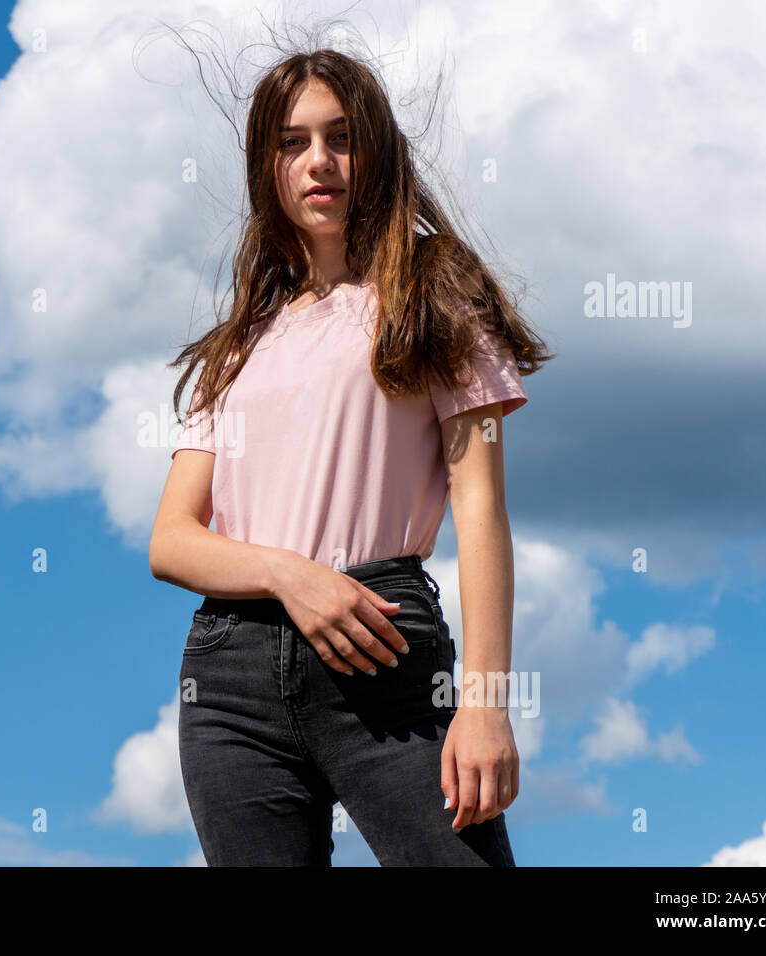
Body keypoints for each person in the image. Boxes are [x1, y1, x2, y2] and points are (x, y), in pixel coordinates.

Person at [149, 49, 555, 866]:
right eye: (292, 143)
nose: (319, 162)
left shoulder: (432, 293)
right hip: (230, 682)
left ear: (375, 152)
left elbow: (480, 505)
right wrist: (287, 575)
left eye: (341, 138)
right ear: (268, 166)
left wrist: (483, 705)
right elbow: (171, 541)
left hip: (388, 651)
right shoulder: (238, 346)